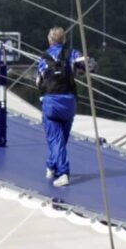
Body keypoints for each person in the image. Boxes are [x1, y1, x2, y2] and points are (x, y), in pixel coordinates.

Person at [33, 25, 88, 188]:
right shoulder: (72, 54)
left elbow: (38, 82)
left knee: (55, 139)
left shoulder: (43, 59)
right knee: (61, 139)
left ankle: (63, 173)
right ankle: (51, 165)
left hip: (51, 103)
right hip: (69, 103)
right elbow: (84, 67)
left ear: (49, 40)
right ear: (64, 40)